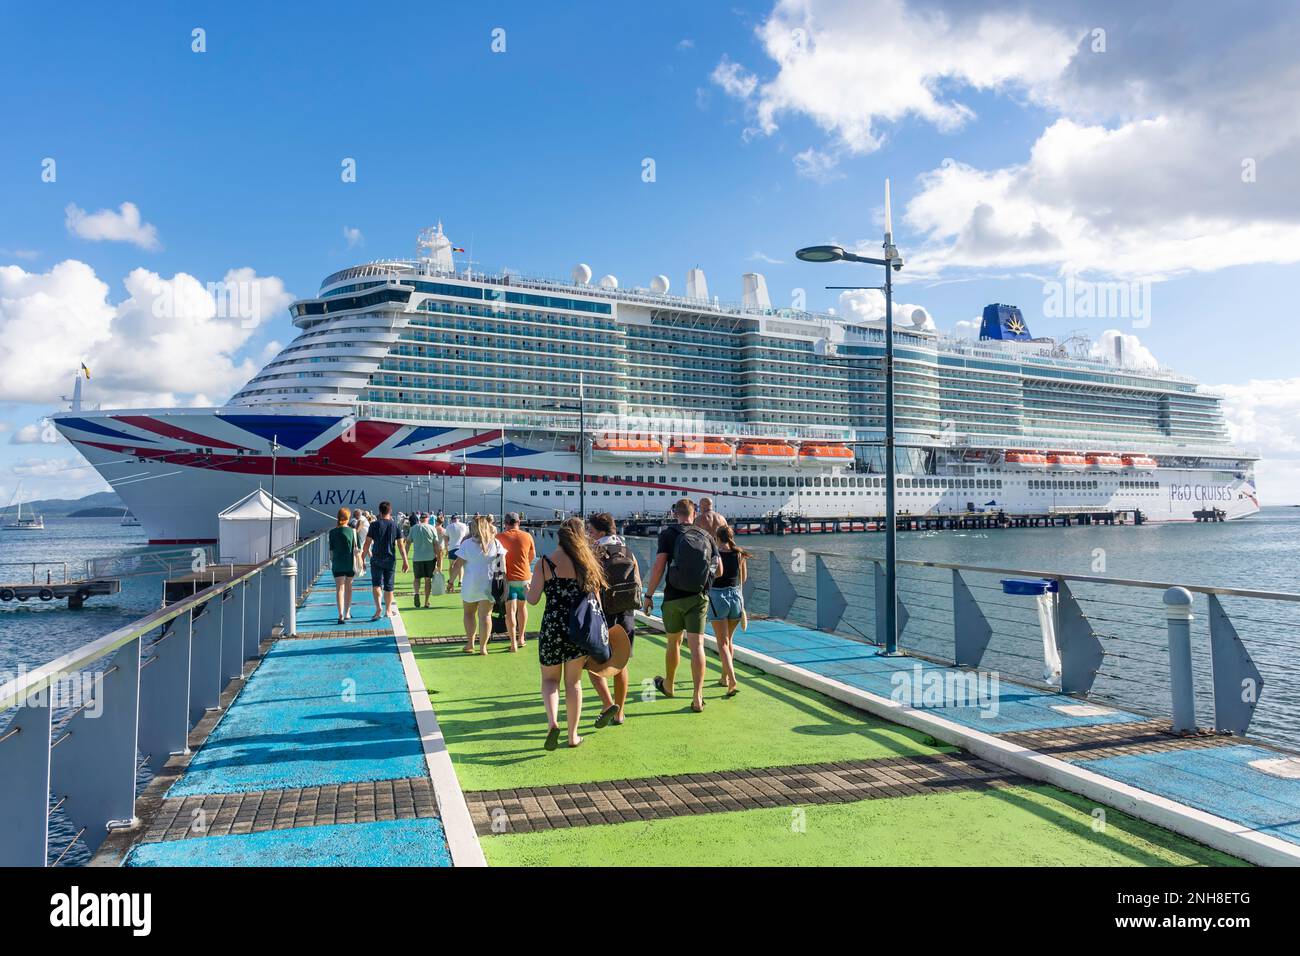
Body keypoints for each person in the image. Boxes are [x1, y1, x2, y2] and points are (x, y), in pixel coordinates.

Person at [527, 517, 607, 749]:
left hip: (552, 628)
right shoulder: (587, 564)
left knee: (550, 680)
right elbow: (597, 604)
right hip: (577, 629)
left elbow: (532, 600)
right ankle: (573, 736)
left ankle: (552, 722)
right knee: (573, 683)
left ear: (558, 538)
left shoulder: (545, 563)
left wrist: (525, 589)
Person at [643, 498, 720, 713]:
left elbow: (659, 566)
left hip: (673, 597)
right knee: (697, 646)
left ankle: (669, 685)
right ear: (694, 513)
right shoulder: (706, 535)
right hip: (698, 597)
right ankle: (697, 697)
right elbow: (719, 569)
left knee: (674, 643)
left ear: (675, 513)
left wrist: (648, 595)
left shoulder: (668, 534)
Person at [587, 512, 640, 726]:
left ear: (599, 532)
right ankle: (620, 713)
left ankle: (607, 703)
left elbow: (589, 584)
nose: (589, 535)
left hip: (603, 614)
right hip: (626, 614)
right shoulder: (627, 550)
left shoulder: (595, 552)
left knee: (592, 663)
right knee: (621, 663)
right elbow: (637, 581)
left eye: (590, 531)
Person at [708, 525, 748, 697]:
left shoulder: (714, 553)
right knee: (729, 641)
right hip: (736, 598)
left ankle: (732, 679)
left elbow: (710, 575)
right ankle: (724, 677)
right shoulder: (739, 553)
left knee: (722, 643)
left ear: (717, 537)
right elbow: (743, 578)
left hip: (718, 598)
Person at [458, 515, 506, 655]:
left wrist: (450, 581)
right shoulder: (496, 543)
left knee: (468, 614)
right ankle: (483, 647)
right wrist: (503, 583)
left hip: (470, 585)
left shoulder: (467, 544)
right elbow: (502, 565)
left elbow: (457, 565)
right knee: (485, 616)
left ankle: (470, 643)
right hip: (489, 585)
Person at [495, 513, 536, 652]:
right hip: (525, 577)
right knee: (522, 608)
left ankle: (513, 644)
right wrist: (524, 564)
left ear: (505, 523)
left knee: (510, 612)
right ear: (519, 522)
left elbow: (496, 558)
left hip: (508, 578)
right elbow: (532, 556)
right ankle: (522, 637)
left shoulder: (499, 537)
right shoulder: (528, 536)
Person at [361, 501, 408, 621]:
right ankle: (388, 610)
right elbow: (401, 545)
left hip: (376, 558)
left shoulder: (374, 525)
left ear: (379, 511)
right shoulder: (395, 525)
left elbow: (367, 543)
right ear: (390, 511)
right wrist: (405, 560)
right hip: (390, 559)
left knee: (376, 584)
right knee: (389, 585)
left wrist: (362, 559)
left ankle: (378, 609)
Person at [328, 506, 359, 625]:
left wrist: (334, 560)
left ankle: (340, 613)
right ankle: (347, 612)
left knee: (339, 589)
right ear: (348, 517)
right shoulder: (352, 532)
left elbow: (331, 552)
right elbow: (357, 549)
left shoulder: (332, 532)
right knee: (349, 588)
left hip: (337, 563)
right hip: (349, 563)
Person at [408, 512, 442, 608]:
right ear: (427, 518)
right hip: (429, 557)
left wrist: (405, 557)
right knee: (428, 580)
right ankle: (426, 601)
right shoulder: (432, 528)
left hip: (417, 557)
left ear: (420, 519)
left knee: (417, 578)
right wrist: (439, 559)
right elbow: (436, 544)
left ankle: (416, 593)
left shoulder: (413, 528)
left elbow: (408, 542)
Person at [445, 513, 469, 592]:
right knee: (460, 566)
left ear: (452, 519)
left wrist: (446, 549)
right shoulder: (464, 525)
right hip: (461, 548)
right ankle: (460, 581)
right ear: (458, 519)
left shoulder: (449, 526)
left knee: (451, 566)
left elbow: (446, 539)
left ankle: (451, 581)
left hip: (452, 548)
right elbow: (466, 536)